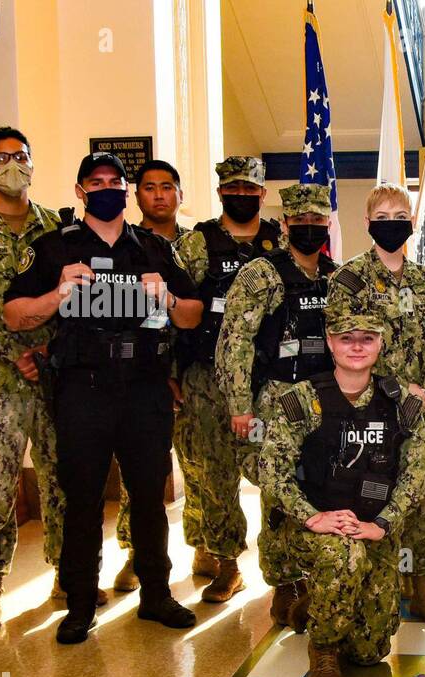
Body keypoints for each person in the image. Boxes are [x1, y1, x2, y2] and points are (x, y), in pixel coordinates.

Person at [3, 151, 202, 644]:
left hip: (144, 388)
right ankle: (79, 602)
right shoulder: (55, 249)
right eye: (97, 182)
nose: (107, 188)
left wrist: (169, 298)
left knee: (150, 500)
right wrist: (58, 295)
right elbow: (14, 314)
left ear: (127, 189)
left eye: (116, 181)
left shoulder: (153, 248)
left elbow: (194, 314)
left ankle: (156, 593)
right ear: (80, 191)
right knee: (83, 500)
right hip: (83, 388)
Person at [0, 126, 104, 627]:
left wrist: (46, 348)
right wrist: (15, 351)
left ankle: (66, 574)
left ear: (33, 163)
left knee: (63, 480)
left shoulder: (59, 228)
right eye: (3, 157)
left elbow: (80, 301)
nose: (13, 165)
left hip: (55, 376)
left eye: (22, 156)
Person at [257, 312, 425, 677]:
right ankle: (324, 648)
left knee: (371, 651)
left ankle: (319, 605)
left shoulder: (400, 402)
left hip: (373, 526)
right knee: (344, 556)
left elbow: (417, 474)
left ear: (380, 345)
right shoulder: (301, 400)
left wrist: (382, 523)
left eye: (367, 339)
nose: (356, 346)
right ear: (331, 343)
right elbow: (271, 472)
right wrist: (312, 517)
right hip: (315, 529)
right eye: (346, 338)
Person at [326, 183, 425, 626]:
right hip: (370, 411)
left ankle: (422, 589)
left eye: (401, 216)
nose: (392, 224)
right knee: (371, 495)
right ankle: (371, 588)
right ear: (367, 224)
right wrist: (395, 392)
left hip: (424, 416)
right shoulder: (348, 281)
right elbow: (346, 344)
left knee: (424, 499)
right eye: (383, 217)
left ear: (413, 223)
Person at [216, 182, 336, 626]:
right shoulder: (260, 275)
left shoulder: (334, 275)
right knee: (278, 494)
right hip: (276, 401)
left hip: (324, 399)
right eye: (300, 221)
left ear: (327, 224)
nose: (308, 228)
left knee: (318, 487)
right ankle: (283, 584)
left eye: (317, 221)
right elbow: (234, 342)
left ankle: (311, 575)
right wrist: (239, 405)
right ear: (285, 224)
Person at [166, 157, 283, 603]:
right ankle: (227, 562)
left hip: (267, 380)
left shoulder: (280, 240)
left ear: (262, 194)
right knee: (213, 475)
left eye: (250, 189)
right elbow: (175, 316)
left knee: (274, 474)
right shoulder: (197, 245)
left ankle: (285, 567)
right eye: (233, 189)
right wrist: (171, 374)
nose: (242, 196)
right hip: (206, 381)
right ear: (220, 193)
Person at [114, 157, 190, 592]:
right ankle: (135, 554)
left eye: (167, 186)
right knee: (139, 475)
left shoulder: (197, 246)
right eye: (149, 187)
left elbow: (198, 312)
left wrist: (180, 371)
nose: (159, 194)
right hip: (142, 376)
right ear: (136, 194)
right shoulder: (122, 245)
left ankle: (208, 550)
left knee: (197, 469)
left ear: (180, 194)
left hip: (191, 374)